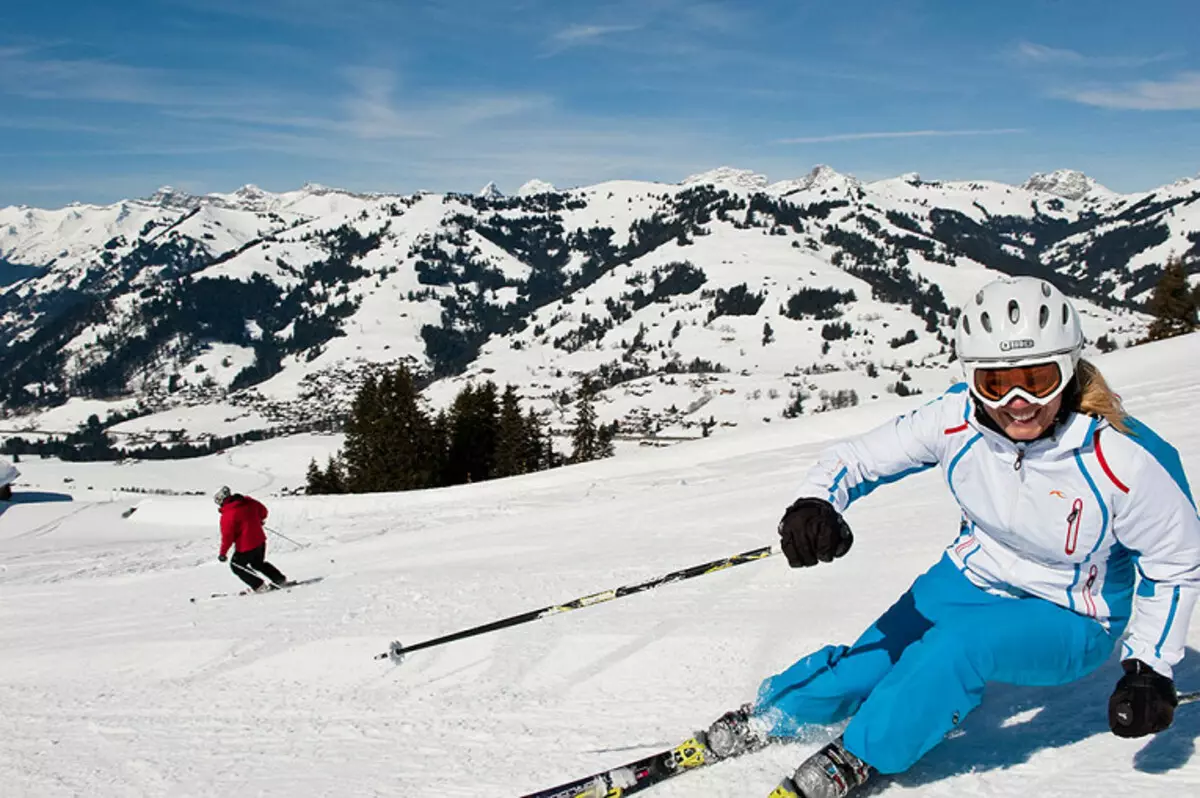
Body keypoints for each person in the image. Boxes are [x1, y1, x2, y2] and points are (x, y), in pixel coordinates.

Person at [704, 277, 1200, 798]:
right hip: (971, 576)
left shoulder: (1124, 458)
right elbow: (857, 458)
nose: (1017, 403)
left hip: (1073, 614)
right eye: (995, 384)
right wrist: (818, 503)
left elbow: (1176, 563)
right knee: (873, 658)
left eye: (1037, 380)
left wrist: (1149, 666)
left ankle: (863, 752)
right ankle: (775, 714)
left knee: (957, 648)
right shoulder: (957, 420)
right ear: (973, 380)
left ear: (1070, 370)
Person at [215, 485, 290, 593]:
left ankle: (259, 586)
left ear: (222, 501)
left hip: (246, 545)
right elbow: (263, 511)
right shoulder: (249, 501)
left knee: (236, 566)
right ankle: (279, 580)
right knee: (258, 563)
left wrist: (223, 553)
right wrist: (258, 519)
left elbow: (228, 537)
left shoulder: (228, 515)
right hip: (260, 541)